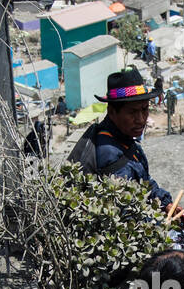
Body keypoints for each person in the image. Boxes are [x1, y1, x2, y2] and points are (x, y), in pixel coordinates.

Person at [68, 68, 172, 209]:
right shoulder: (109, 154)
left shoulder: (123, 138)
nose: (141, 119)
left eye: (144, 109)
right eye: (132, 112)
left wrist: (165, 204)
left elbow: (144, 182)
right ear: (112, 112)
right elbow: (127, 212)